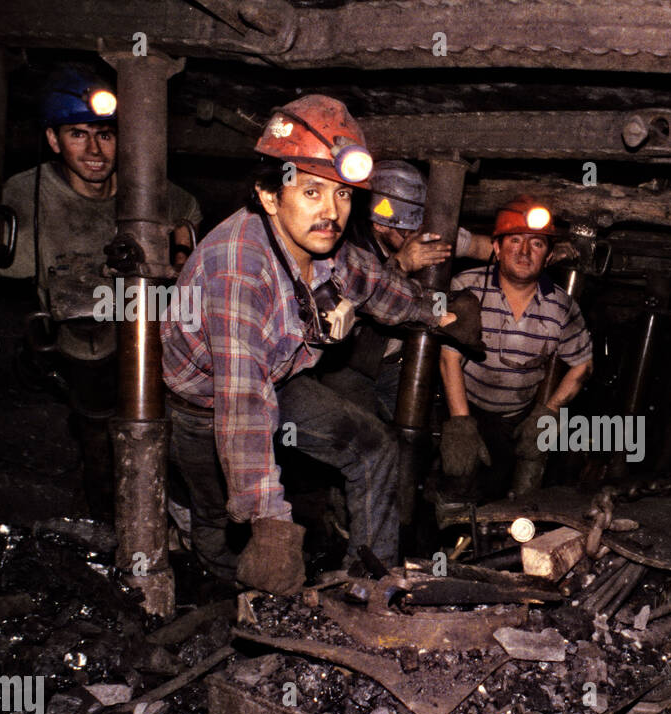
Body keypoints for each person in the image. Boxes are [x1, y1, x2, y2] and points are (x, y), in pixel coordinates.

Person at [161, 94, 473, 595]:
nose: (331, 212)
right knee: (221, 525)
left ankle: (369, 583)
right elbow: (242, 406)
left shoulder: (317, 243)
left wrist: (440, 314)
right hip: (205, 408)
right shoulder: (238, 269)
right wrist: (271, 524)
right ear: (269, 196)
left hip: (278, 382)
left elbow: (372, 282)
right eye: (311, 192)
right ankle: (220, 603)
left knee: (374, 450)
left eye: (343, 195)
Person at [1, 66, 201, 519]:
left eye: (106, 135)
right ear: (54, 141)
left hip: (147, 332)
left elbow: (187, 211)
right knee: (101, 435)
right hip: (83, 342)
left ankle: (179, 520)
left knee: (175, 426)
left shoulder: (148, 191)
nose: (94, 150)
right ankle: (108, 521)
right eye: (78, 134)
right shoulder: (26, 193)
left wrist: (183, 247)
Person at [439, 195, 593, 500]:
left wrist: (548, 412)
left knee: (494, 494)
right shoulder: (465, 286)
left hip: (514, 420)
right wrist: (460, 423)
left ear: (548, 256)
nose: (524, 252)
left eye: (536, 244)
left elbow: (583, 365)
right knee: (452, 486)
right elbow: (448, 358)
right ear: (496, 248)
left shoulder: (561, 306)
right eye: (514, 241)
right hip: (463, 405)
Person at [316, 160, 492, 422]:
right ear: (381, 225)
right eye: (409, 228)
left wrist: (545, 250)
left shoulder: (426, 232)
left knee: (414, 440)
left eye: (421, 224)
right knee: (361, 437)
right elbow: (354, 308)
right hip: (348, 367)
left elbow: (482, 247)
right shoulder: (344, 247)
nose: (418, 234)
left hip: (397, 363)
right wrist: (402, 264)